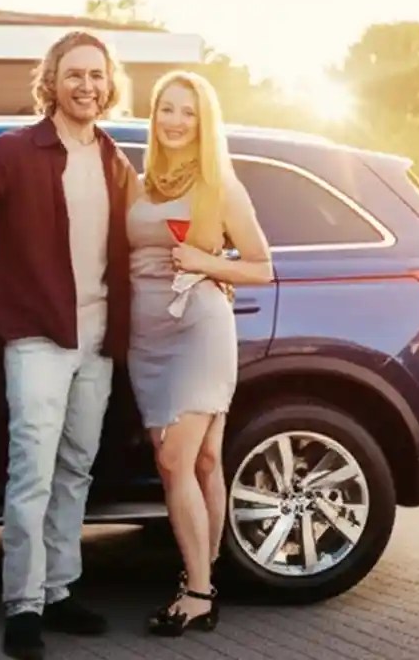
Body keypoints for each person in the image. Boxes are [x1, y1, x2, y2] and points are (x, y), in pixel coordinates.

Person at [0, 30, 139, 660]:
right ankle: (22, 605)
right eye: (75, 74)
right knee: (33, 474)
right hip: (38, 336)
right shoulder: (15, 151)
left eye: (98, 76)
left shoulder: (114, 160)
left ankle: (59, 590)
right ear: (52, 81)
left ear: (110, 83)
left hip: (98, 339)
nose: (88, 86)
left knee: (76, 469)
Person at [126, 69, 272, 636]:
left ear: (204, 122)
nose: (177, 121)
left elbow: (261, 266)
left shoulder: (221, 187)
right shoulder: (136, 186)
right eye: (168, 109)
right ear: (154, 116)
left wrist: (208, 263)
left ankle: (197, 593)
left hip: (200, 329)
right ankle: (204, 569)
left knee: (173, 461)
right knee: (203, 461)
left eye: (189, 112)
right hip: (147, 337)